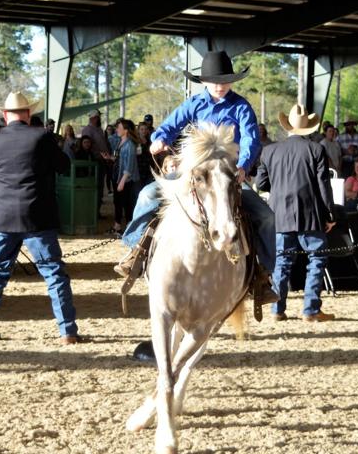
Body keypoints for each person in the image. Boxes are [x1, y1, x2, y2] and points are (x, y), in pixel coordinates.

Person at [114, 50, 277, 309]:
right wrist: (160, 140)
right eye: (214, 81)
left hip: (228, 174)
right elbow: (169, 125)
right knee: (146, 195)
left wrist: (244, 166)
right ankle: (136, 251)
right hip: (194, 172)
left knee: (266, 217)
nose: (220, 85)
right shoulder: (194, 104)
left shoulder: (241, 106)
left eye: (224, 80)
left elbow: (250, 139)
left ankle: (262, 275)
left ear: (232, 81)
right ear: (204, 82)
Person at [0, 91, 79, 343]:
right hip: (37, 217)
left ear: (4, 114)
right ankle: (67, 332)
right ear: (29, 113)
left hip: (3, 218)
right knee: (53, 274)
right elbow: (64, 165)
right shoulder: (42, 136)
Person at [256, 104, 335, 322]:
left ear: (288, 126)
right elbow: (323, 186)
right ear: (308, 128)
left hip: (279, 214)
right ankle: (311, 310)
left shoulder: (270, 151)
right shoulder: (317, 149)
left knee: (281, 262)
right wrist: (330, 214)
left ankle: (277, 310)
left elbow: (261, 183)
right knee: (317, 259)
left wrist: (280, 187)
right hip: (310, 214)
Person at [111, 118, 141, 233]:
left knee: (126, 203)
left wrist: (122, 181)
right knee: (118, 202)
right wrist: (110, 158)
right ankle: (117, 226)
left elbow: (129, 165)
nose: (116, 129)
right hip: (117, 175)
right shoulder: (120, 141)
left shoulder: (130, 145)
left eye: (119, 127)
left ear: (126, 130)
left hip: (126, 179)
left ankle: (128, 227)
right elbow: (120, 159)